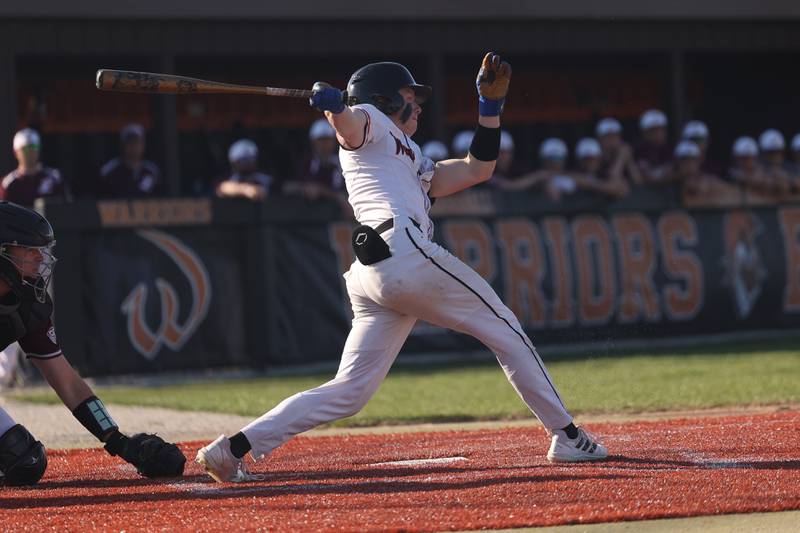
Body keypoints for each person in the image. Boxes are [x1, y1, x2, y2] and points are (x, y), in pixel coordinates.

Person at [196, 52, 608, 483]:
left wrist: (489, 110)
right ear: (386, 99)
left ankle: (232, 450)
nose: (419, 106)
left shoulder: (407, 152)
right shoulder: (370, 119)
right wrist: (337, 108)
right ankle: (567, 434)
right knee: (505, 328)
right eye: (411, 97)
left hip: (376, 267)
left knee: (349, 392)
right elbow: (350, 127)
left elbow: (477, 170)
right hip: (402, 249)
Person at [0, 202, 185, 486]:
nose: (39, 257)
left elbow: (68, 382)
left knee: (23, 459)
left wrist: (117, 440)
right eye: (28, 249)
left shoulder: (27, 305)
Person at [1, 129, 68, 208]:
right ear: (16, 152)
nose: (30, 152)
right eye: (26, 149)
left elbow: (67, 207)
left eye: (34, 147)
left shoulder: (55, 178)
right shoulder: (8, 184)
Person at [97, 123, 163, 198]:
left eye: (137, 143)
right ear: (123, 145)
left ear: (143, 145)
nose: (134, 147)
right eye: (130, 143)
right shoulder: (109, 170)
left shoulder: (152, 171)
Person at [595, 117, 641, 186]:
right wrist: (621, 158)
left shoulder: (625, 152)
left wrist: (628, 159)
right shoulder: (595, 156)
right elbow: (612, 178)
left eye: (615, 136)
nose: (612, 140)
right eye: (608, 136)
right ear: (600, 139)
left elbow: (638, 181)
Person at [635, 109, 672, 184]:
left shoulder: (672, 149)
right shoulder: (637, 151)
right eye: (653, 130)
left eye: (660, 129)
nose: (658, 134)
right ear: (644, 133)